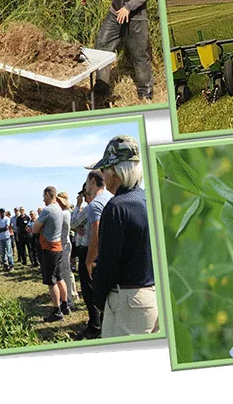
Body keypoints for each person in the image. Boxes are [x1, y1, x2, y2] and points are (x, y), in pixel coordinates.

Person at [88, 135, 158, 337]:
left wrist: (99, 300)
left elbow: (109, 264)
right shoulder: (147, 199)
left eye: (105, 170)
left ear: (116, 172)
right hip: (153, 297)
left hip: (128, 300)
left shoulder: (116, 207)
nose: (103, 175)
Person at [73, 171, 113, 339]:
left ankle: (95, 326)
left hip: (91, 252)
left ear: (91, 181)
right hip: (109, 252)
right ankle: (105, 324)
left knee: (90, 291)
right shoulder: (111, 199)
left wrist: (89, 261)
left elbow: (75, 223)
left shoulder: (94, 205)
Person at [33, 187, 69, 322]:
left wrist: (38, 227)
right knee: (60, 278)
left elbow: (35, 229)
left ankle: (57, 311)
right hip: (58, 247)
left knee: (51, 281)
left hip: (49, 249)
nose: (43, 199)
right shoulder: (59, 209)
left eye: (44, 196)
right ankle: (65, 305)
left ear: (48, 194)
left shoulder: (47, 210)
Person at [54, 192, 77, 309]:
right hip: (65, 244)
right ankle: (71, 295)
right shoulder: (66, 212)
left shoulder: (63, 213)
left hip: (63, 245)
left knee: (65, 273)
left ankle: (68, 299)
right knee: (66, 272)